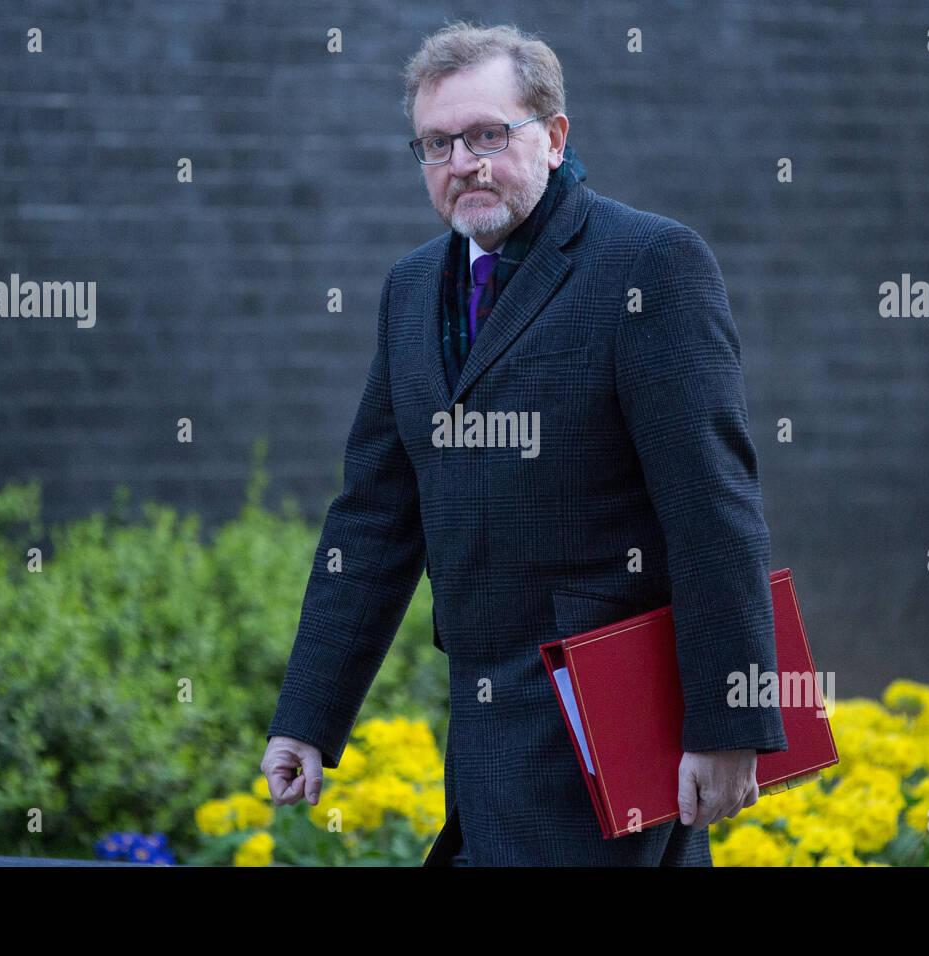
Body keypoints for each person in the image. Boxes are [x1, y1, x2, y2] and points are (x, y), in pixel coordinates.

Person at [262, 20, 786, 866]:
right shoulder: (408, 292)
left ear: (554, 135)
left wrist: (730, 722)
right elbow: (372, 522)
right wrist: (310, 718)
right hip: (480, 741)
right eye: (437, 143)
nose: (464, 162)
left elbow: (711, 507)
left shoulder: (650, 264)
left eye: (487, 134)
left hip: (612, 732)